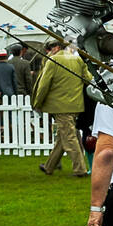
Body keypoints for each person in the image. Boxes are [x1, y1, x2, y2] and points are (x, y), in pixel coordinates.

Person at [33, 40, 91, 177]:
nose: (49, 50)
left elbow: (44, 84)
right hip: (76, 105)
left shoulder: (52, 60)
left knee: (69, 137)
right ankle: (49, 166)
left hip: (60, 106)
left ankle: (80, 169)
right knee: (63, 136)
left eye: (50, 47)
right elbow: (88, 79)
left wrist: (37, 102)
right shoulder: (77, 60)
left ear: (57, 47)